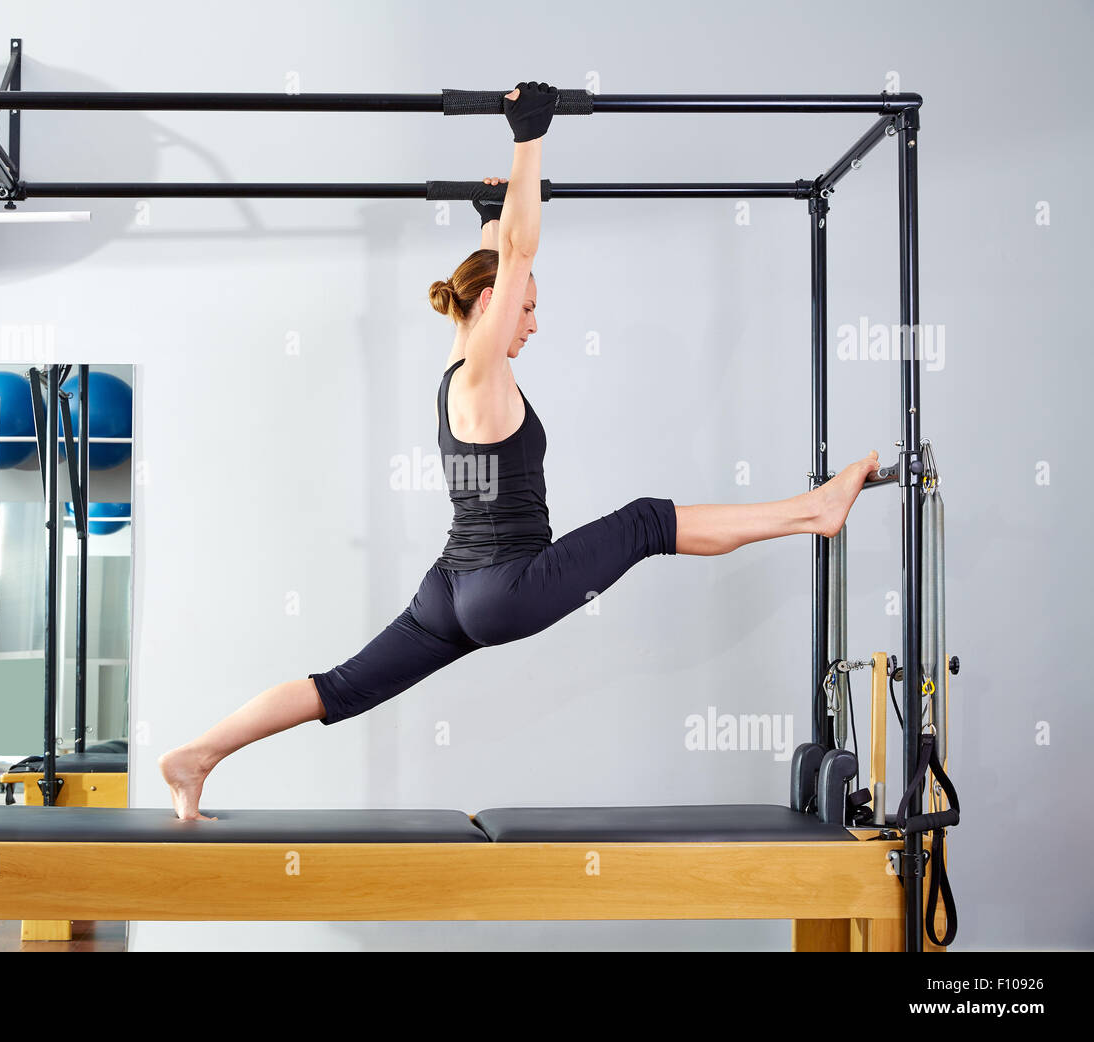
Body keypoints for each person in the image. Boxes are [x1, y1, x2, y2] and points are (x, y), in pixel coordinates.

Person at [160, 83, 879, 821]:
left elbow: (496, 257)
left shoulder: (456, 366)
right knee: (644, 522)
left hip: (451, 591)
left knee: (338, 686)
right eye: (524, 305)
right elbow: (518, 249)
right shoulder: (484, 369)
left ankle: (197, 756)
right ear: (490, 304)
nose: (532, 321)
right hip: (504, 588)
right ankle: (813, 512)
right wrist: (529, 136)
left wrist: (487, 214)